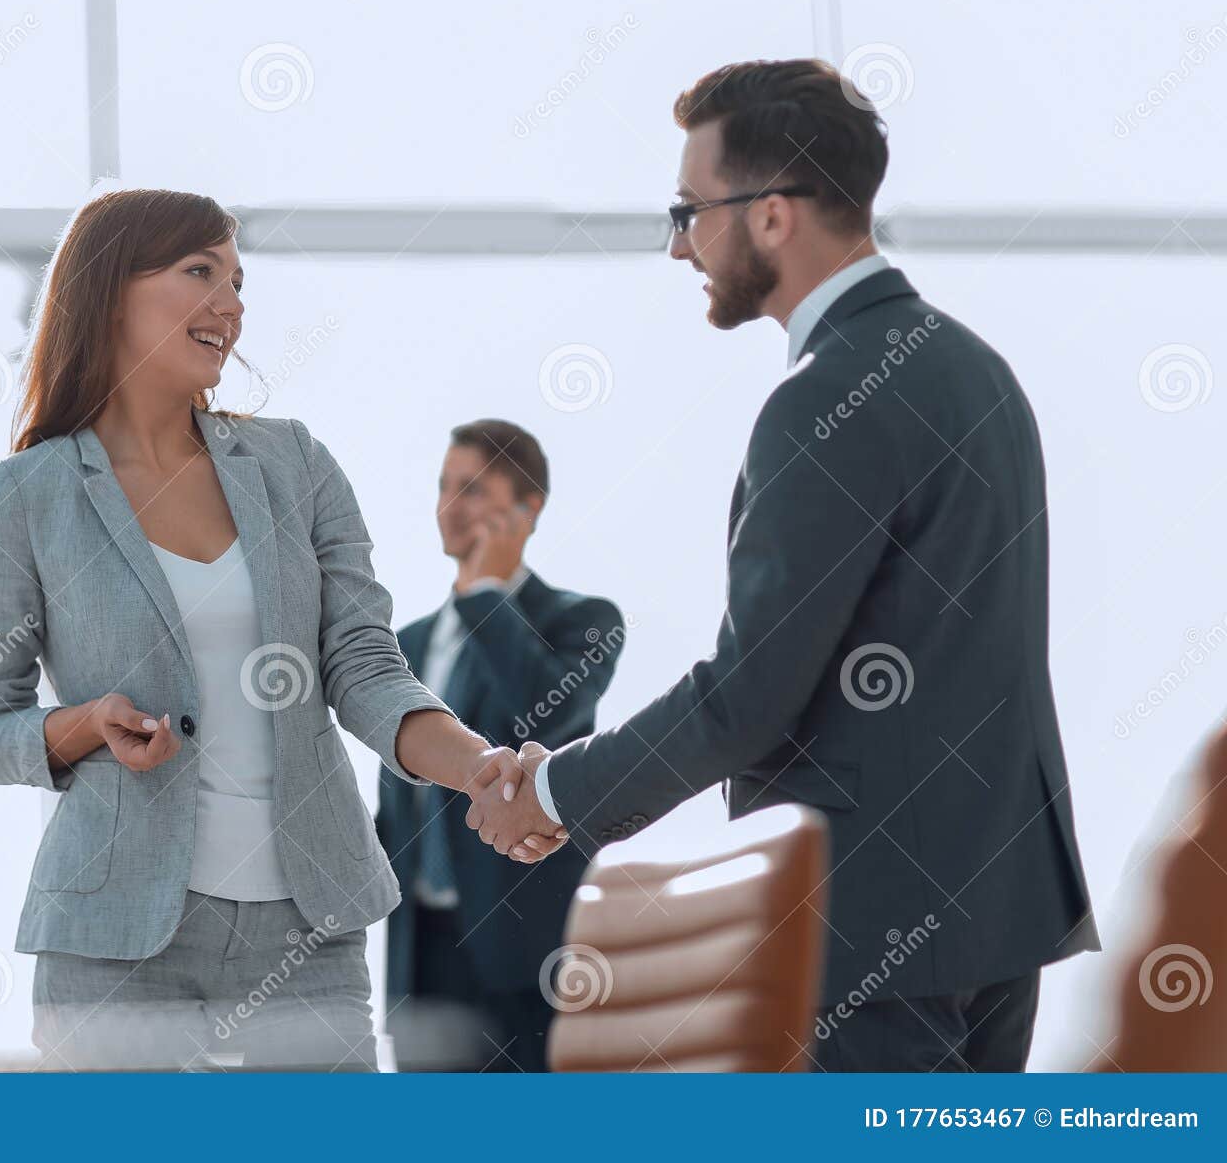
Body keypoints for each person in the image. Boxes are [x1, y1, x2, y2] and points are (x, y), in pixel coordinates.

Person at [466, 59, 1100, 1072]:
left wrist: (553, 793)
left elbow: (751, 695)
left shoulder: (824, 398)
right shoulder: (973, 366)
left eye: (688, 209)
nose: (679, 244)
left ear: (770, 217)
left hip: (869, 924)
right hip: (999, 907)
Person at [0, 188, 550, 1071]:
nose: (231, 304)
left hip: (308, 925)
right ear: (111, 288)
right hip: (114, 939)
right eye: (200, 272)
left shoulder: (293, 463)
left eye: (238, 281)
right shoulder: (24, 496)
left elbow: (365, 664)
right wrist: (82, 725)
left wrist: (477, 765)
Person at [377, 419, 624, 1071]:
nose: (450, 505)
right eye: (444, 486)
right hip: (419, 958)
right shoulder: (405, 643)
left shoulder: (583, 620)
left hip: (525, 955)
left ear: (527, 507)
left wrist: (484, 593)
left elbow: (547, 712)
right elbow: (398, 802)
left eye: (474, 488)